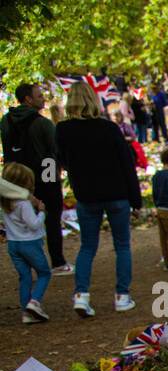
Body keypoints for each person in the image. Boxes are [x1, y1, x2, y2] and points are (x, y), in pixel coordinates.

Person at [55, 80, 142, 316]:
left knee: (87, 247)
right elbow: (127, 164)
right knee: (122, 245)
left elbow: (60, 161)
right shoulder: (109, 128)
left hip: (86, 195)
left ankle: (81, 295)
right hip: (116, 193)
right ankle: (122, 296)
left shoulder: (62, 130)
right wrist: (136, 200)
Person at [0, 82, 70, 274]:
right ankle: (57, 262)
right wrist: (53, 179)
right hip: (44, 176)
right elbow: (53, 153)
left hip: (17, 179)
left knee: (22, 221)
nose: (43, 99)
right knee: (52, 217)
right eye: (39, 96)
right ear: (28, 99)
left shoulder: (6, 121)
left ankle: (30, 263)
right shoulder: (43, 123)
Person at [2, 162, 52, 324]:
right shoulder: (24, 204)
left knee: (24, 277)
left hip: (13, 244)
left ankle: (26, 312)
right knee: (44, 273)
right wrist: (42, 212)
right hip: (30, 243)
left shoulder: (5, 203)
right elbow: (34, 224)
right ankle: (34, 302)